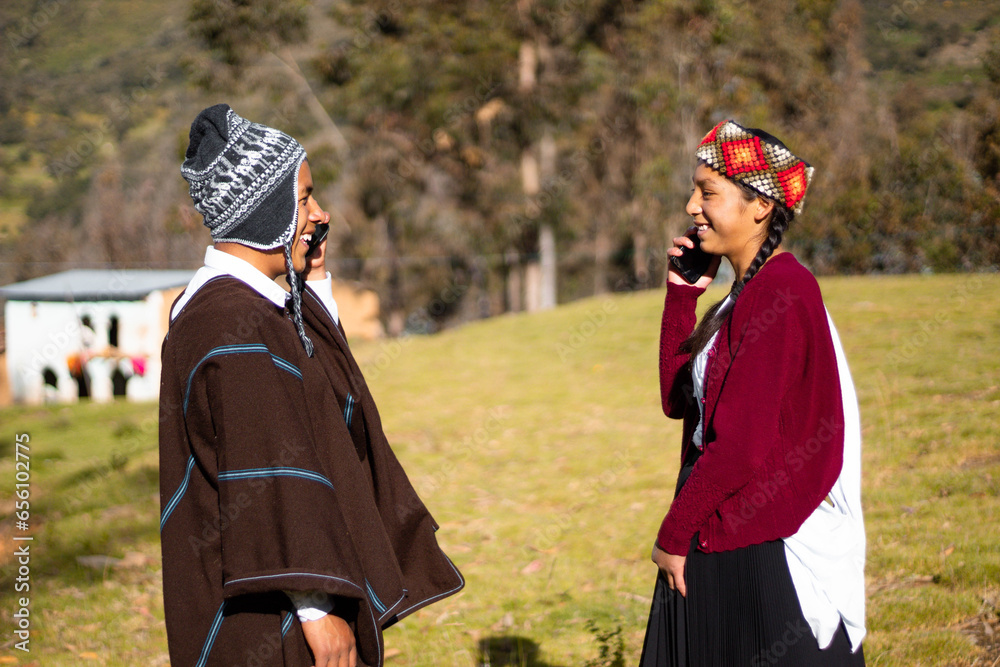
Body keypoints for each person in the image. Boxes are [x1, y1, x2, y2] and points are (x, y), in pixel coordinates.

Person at [159, 104, 464, 667]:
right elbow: (273, 480)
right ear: (264, 210)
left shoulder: (237, 307)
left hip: (279, 602)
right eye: (302, 199)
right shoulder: (232, 326)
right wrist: (319, 613)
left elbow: (327, 390)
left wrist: (315, 275)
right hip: (272, 621)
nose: (320, 213)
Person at [639, 120, 866, 666]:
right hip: (721, 526)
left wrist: (672, 535)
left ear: (759, 207)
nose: (692, 207)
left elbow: (740, 445)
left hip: (759, 545)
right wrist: (681, 297)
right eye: (694, 191)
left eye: (708, 192)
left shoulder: (782, 290)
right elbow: (679, 404)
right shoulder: (740, 297)